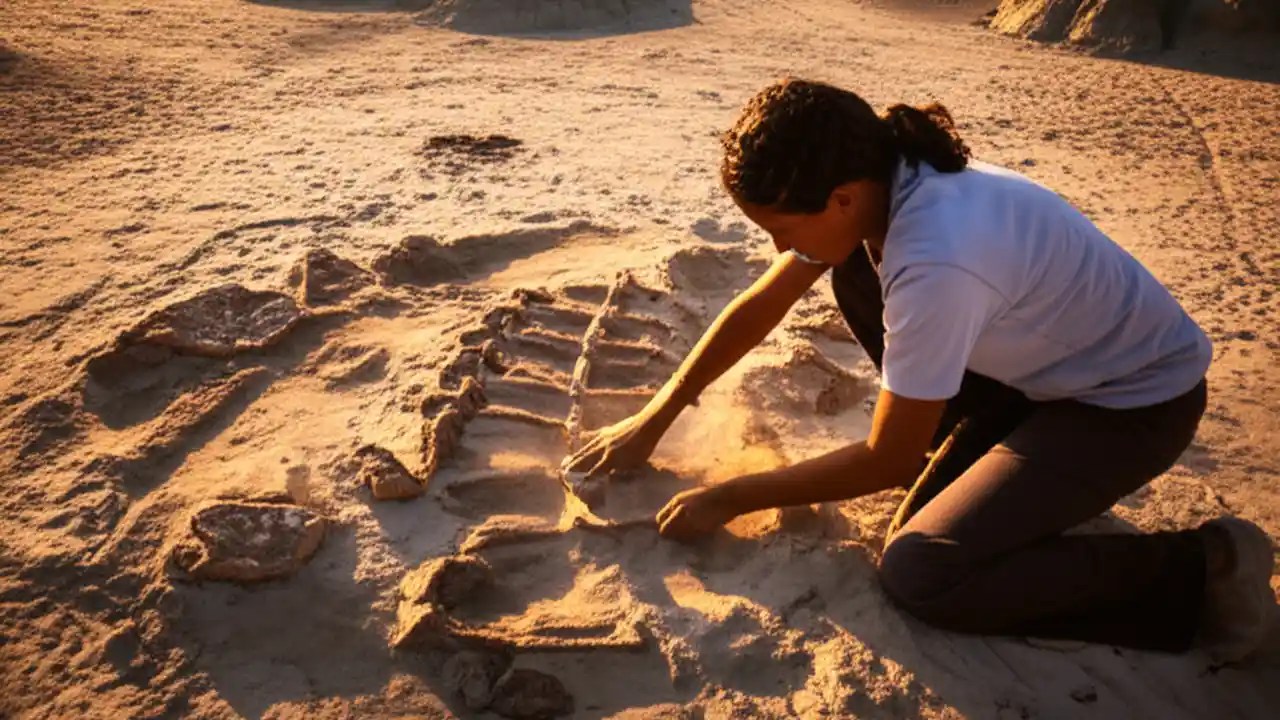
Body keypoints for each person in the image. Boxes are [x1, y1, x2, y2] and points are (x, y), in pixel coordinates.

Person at [564, 79, 1275, 661]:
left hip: (1132, 407)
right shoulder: (888, 179)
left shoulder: (935, 257)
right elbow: (762, 306)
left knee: (923, 572)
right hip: (1038, 377)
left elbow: (884, 457)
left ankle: (1207, 566)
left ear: (840, 197)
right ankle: (981, 454)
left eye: (779, 228)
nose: (778, 246)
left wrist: (730, 496)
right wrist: (656, 416)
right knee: (850, 276)